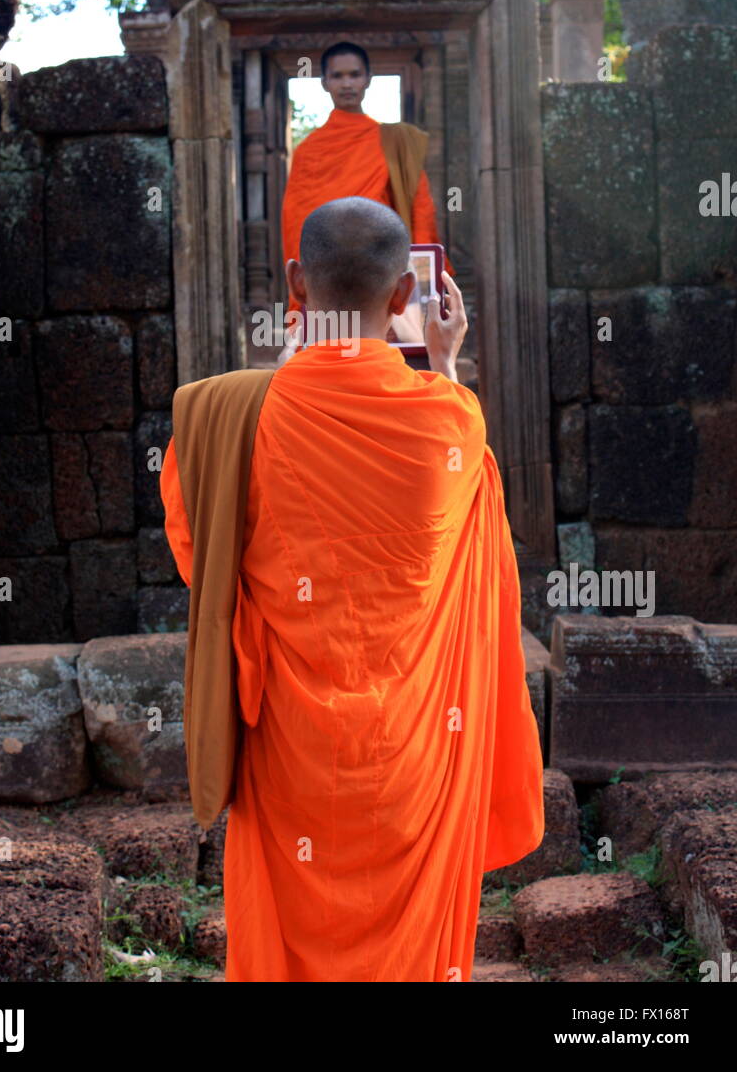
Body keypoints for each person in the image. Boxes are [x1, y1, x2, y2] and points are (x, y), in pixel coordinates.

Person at [160, 197, 544, 983]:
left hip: (291, 748)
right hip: (416, 753)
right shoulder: (451, 422)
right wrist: (443, 365)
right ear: (406, 296)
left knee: (292, 930)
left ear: (295, 283)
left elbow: (205, 565)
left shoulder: (223, 417)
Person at [280, 41, 452, 320]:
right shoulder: (309, 150)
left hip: (382, 265)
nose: (347, 84)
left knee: (382, 347)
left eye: (355, 74)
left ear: (368, 80)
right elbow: (296, 225)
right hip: (328, 271)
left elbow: (420, 209)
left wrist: (425, 277)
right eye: (337, 76)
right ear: (324, 83)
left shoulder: (394, 141)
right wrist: (303, 285)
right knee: (333, 352)